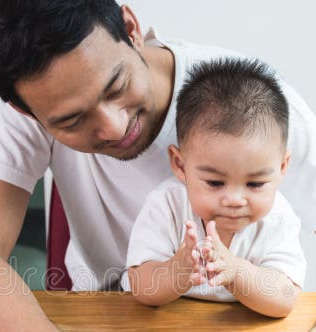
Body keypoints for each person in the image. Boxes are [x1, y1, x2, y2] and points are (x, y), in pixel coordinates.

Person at [0, 0, 316, 332]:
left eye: (115, 86)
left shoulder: (246, 104)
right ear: (25, 111)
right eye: (71, 121)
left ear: (131, 28)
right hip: (102, 322)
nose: (113, 127)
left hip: (241, 328)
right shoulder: (30, 104)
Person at [124, 58, 305, 318]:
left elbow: (285, 299)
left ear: (282, 167)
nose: (234, 199)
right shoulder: (167, 204)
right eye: (215, 183)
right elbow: (141, 286)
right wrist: (178, 271)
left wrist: (235, 271)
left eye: (255, 184)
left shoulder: (279, 218)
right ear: (180, 165)